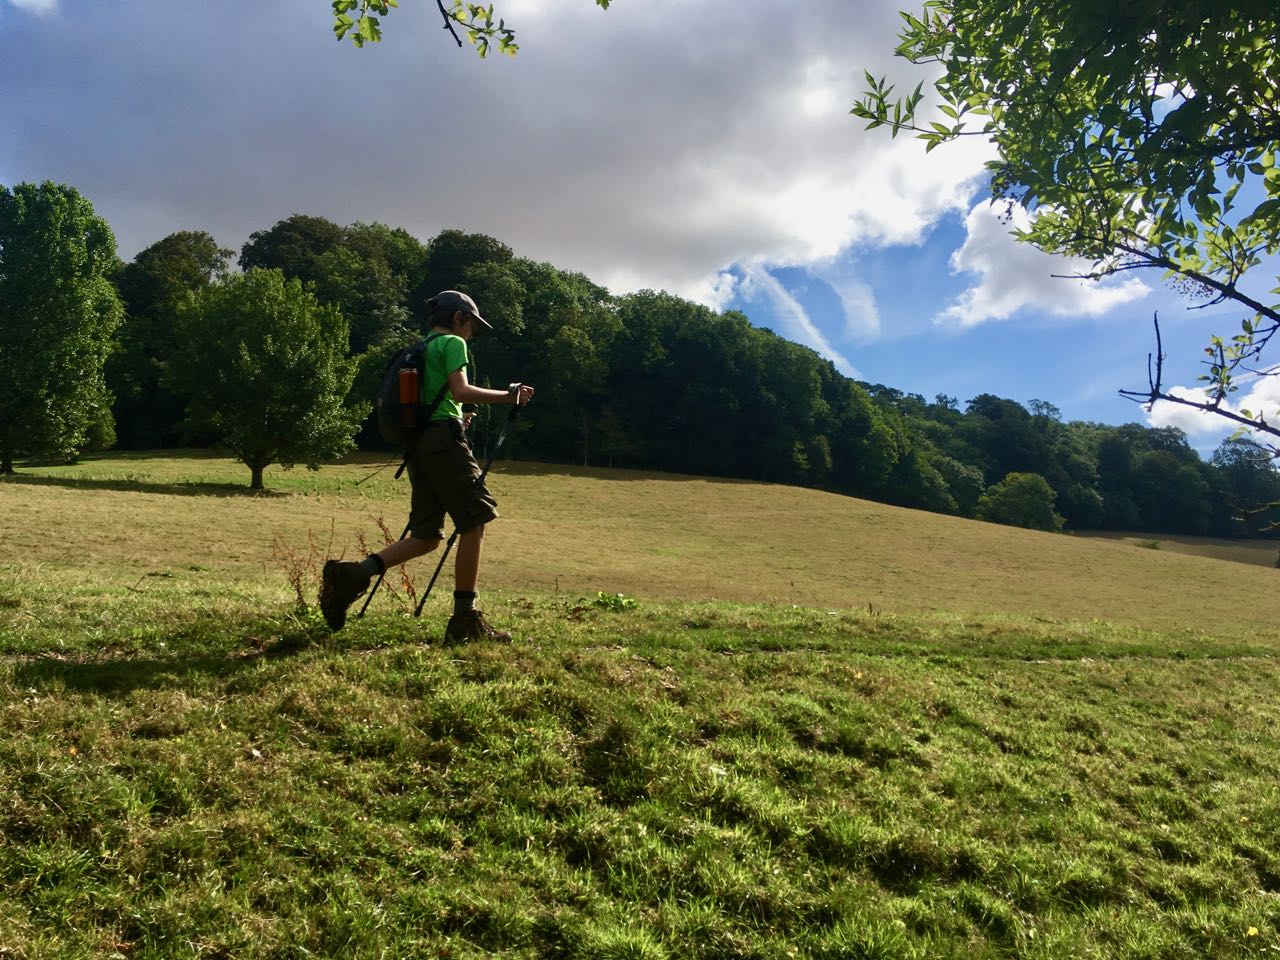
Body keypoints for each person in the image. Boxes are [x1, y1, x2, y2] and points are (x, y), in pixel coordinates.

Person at [321, 289, 534, 641]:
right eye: (471, 326)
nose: (471, 334)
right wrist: (509, 396)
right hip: (443, 442)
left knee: (426, 536)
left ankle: (354, 574)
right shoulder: (453, 343)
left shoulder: (420, 348)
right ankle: (465, 621)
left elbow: (436, 402)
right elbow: (460, 391)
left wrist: (456, 419)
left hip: (420, 445)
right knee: (476, 520)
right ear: (458, 318)